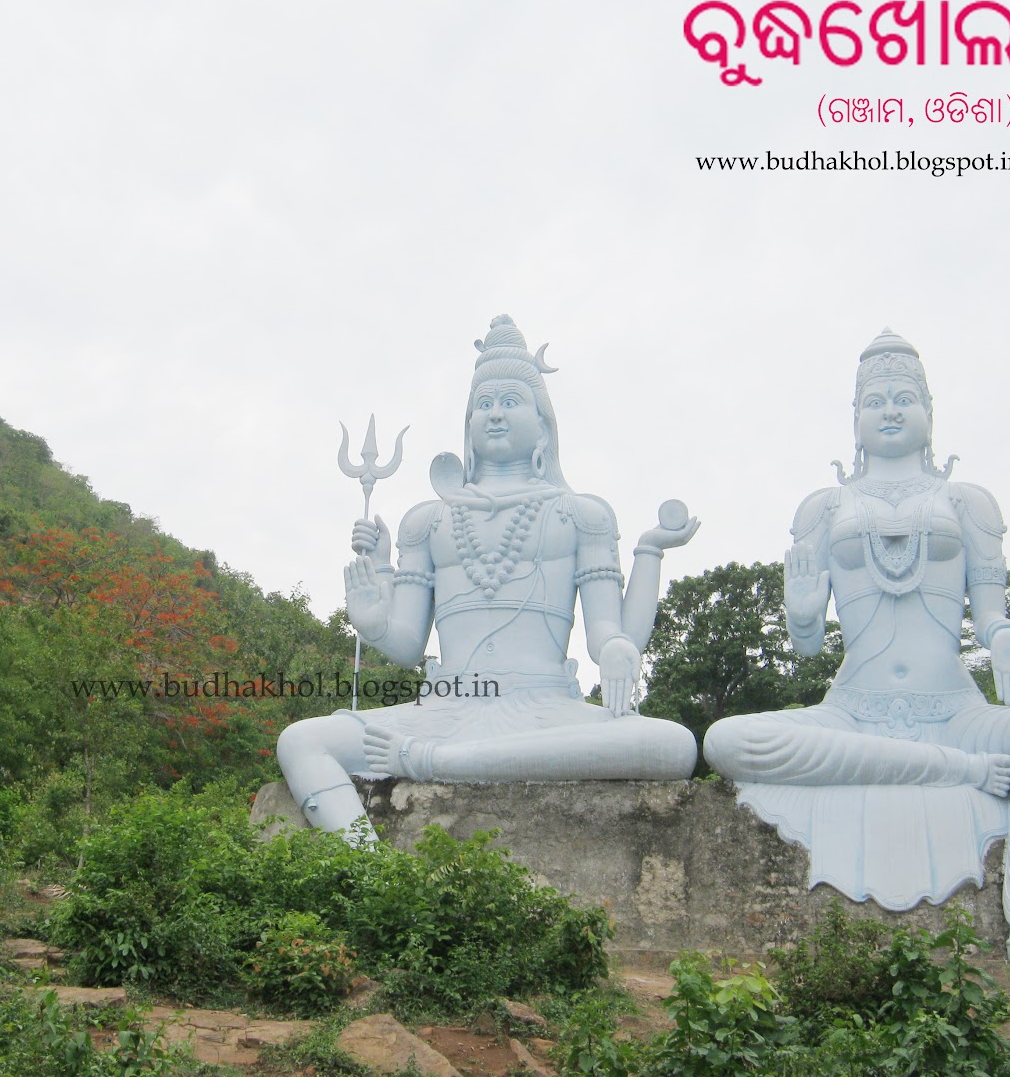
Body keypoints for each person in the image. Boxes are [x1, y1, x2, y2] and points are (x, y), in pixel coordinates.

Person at [703, 329, 1010, 961]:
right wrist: (798, 616)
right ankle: (958, 774)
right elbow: (807, 646)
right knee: (726, 741)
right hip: (852, 712)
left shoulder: (967, 502)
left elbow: (990, 613)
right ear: (855, 420)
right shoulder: (824, 507)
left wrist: (1006, 633)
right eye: (876, 400)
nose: (892, 410)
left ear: (931, 412)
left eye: (906, 397)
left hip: (956, 712)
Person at [277, 316, 699, 841]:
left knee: (672, 746)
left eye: (509, 401)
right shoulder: (426, 521)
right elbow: (409, 648)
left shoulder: (581, 514)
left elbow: (608, 638)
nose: (494, 414)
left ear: (543, 424)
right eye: (484, 403)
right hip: (444, 705)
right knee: (300, 741)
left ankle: (440, 762)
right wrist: (375, 616)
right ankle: (370, 875)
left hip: (543, 709)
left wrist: (635, 593)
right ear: (468, 422)